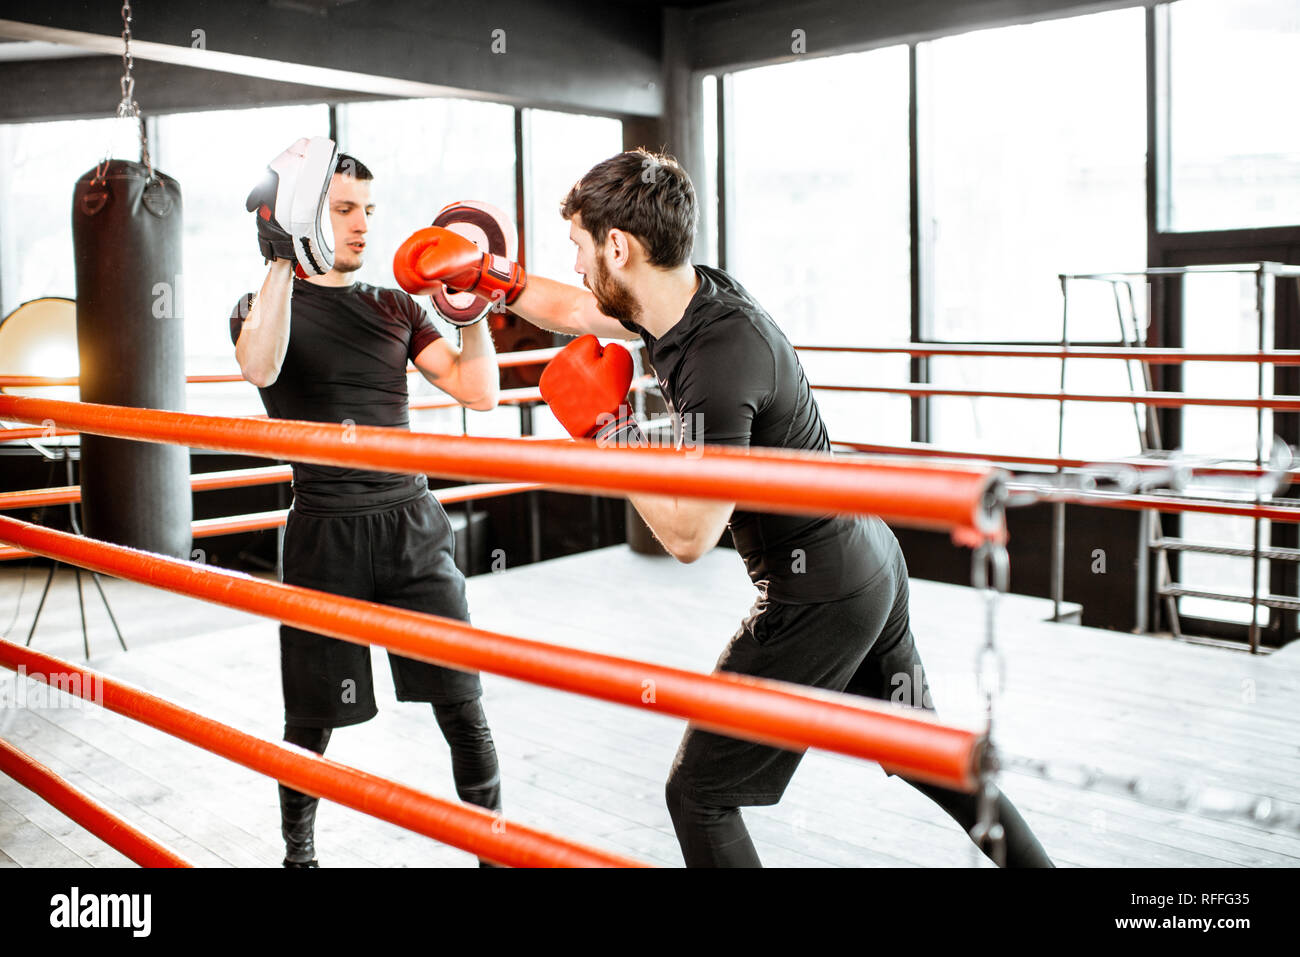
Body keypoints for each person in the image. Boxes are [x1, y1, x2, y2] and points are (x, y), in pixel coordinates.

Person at [390, 149, 1054, 868]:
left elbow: (689, 533)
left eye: (579, 248)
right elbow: (578, 306)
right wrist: (494, 280)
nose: (576, 266)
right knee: (930, 757)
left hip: (820, 592)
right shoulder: (680, 296)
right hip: (868, 561)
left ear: (619, 246)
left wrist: (611, 434)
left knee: (699, 792)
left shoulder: (718, 360)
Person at [232, 139, 504, 867]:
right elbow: (259, 364)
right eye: (344, 208)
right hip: (326, 530)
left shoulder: (393, 304)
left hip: (414, 524)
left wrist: (469, 303)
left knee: (463, 705)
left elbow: (478, 390)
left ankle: (493, 854)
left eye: (368, 210)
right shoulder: (261, 303)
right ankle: (300, 857)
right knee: (311, 719)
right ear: (304, 212)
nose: (361, 224)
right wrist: (284, 255)